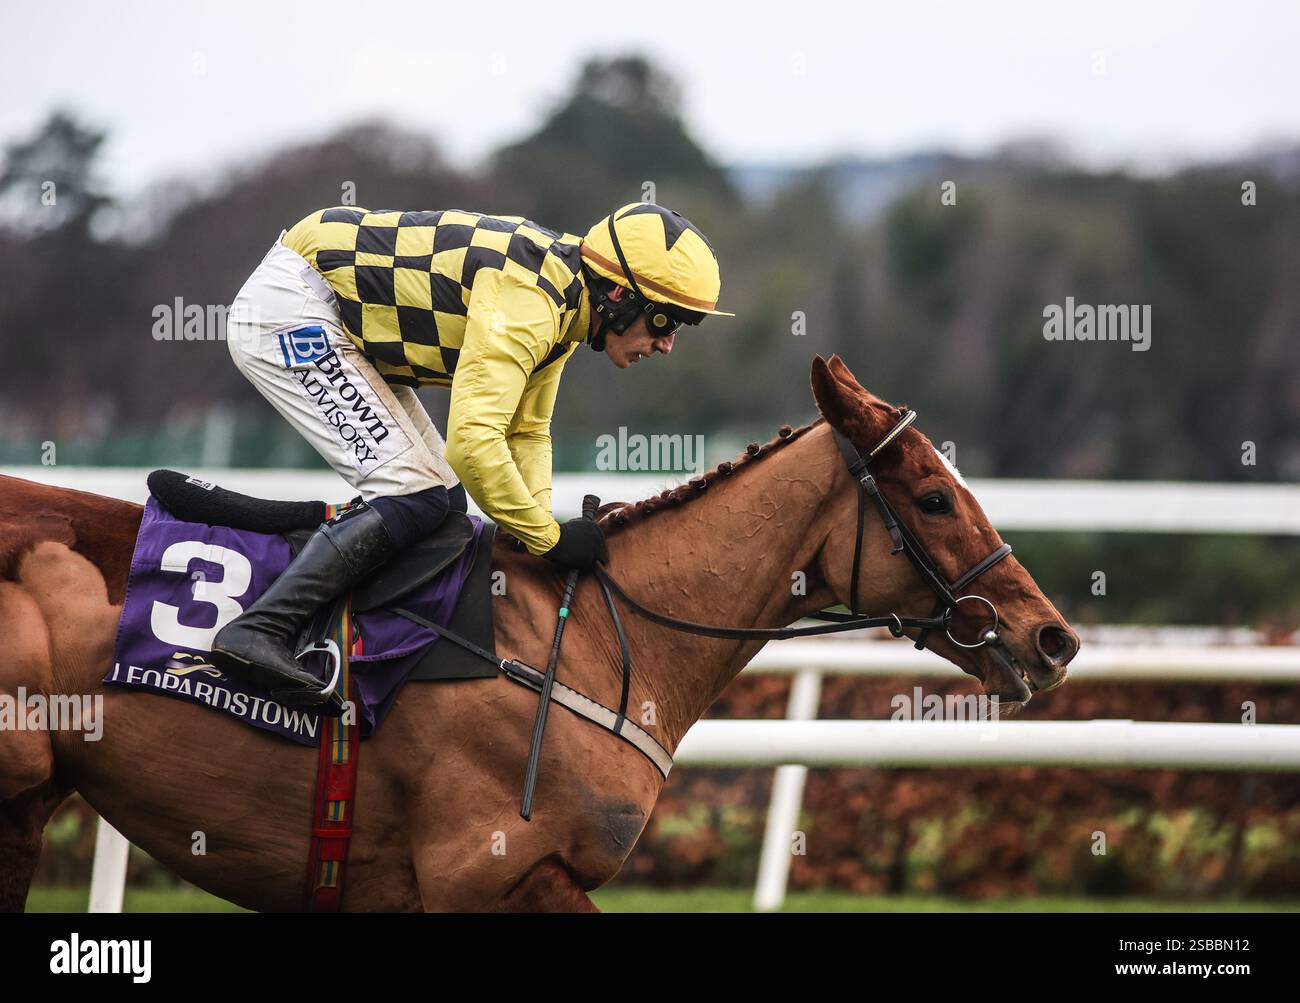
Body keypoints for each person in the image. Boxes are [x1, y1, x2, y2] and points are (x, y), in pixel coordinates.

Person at [210, 202, 731, 709]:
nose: (666, 345)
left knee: (441, 502)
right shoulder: (532, 298)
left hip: (335, 311)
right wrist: (548, 538)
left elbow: (526, 432)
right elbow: (475, 442)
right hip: (294, 307)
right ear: (619, 294)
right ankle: (261, 628)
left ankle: (338, 621)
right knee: (414, 495)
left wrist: (541, 532)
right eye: (666, 321)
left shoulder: (567, 300)